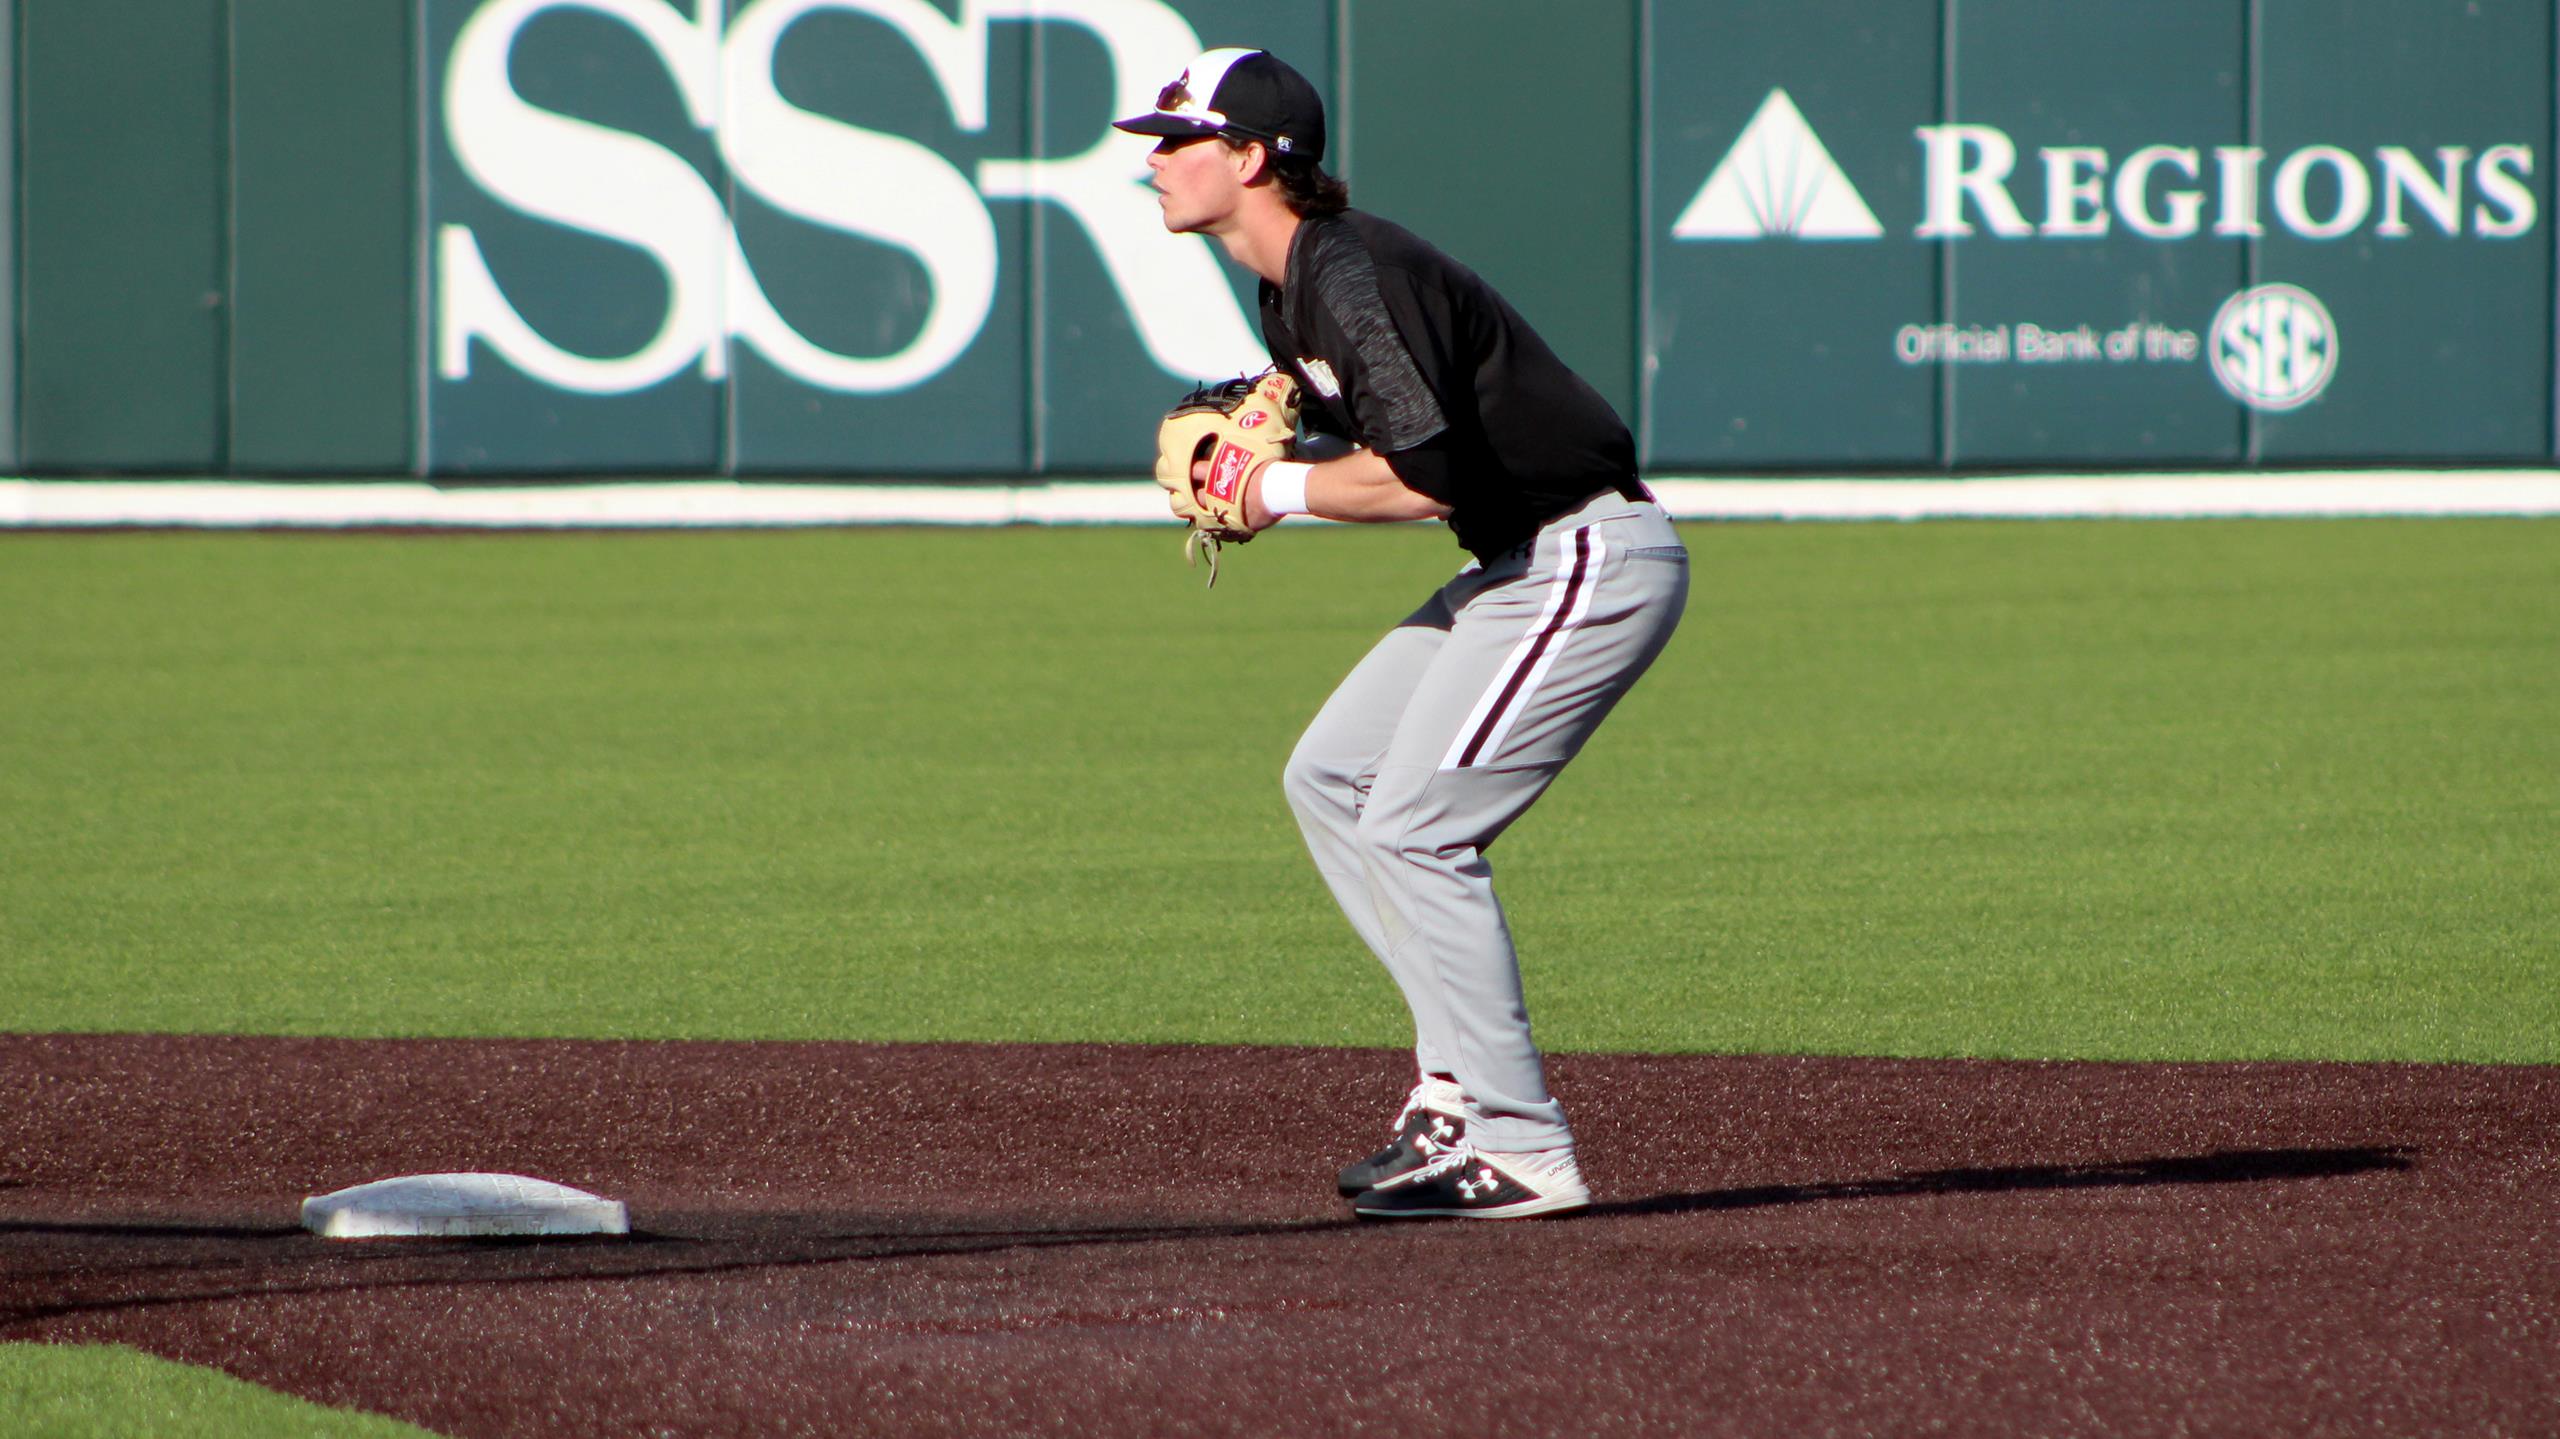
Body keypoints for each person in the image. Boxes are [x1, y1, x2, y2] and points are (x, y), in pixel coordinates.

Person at [1116, 49, 1688, 1220]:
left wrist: (1270, 488)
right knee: (1331, 774)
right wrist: (1281, 450)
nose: (1157, 159)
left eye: (1181, 138)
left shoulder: (1346, 268)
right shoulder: (1288, 287)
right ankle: (1450, 1095)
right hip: (1514, 559)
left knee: (1420, 826)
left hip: (1584, 554)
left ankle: (1524, 1147)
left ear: (1253, 155)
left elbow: (1421, 477)